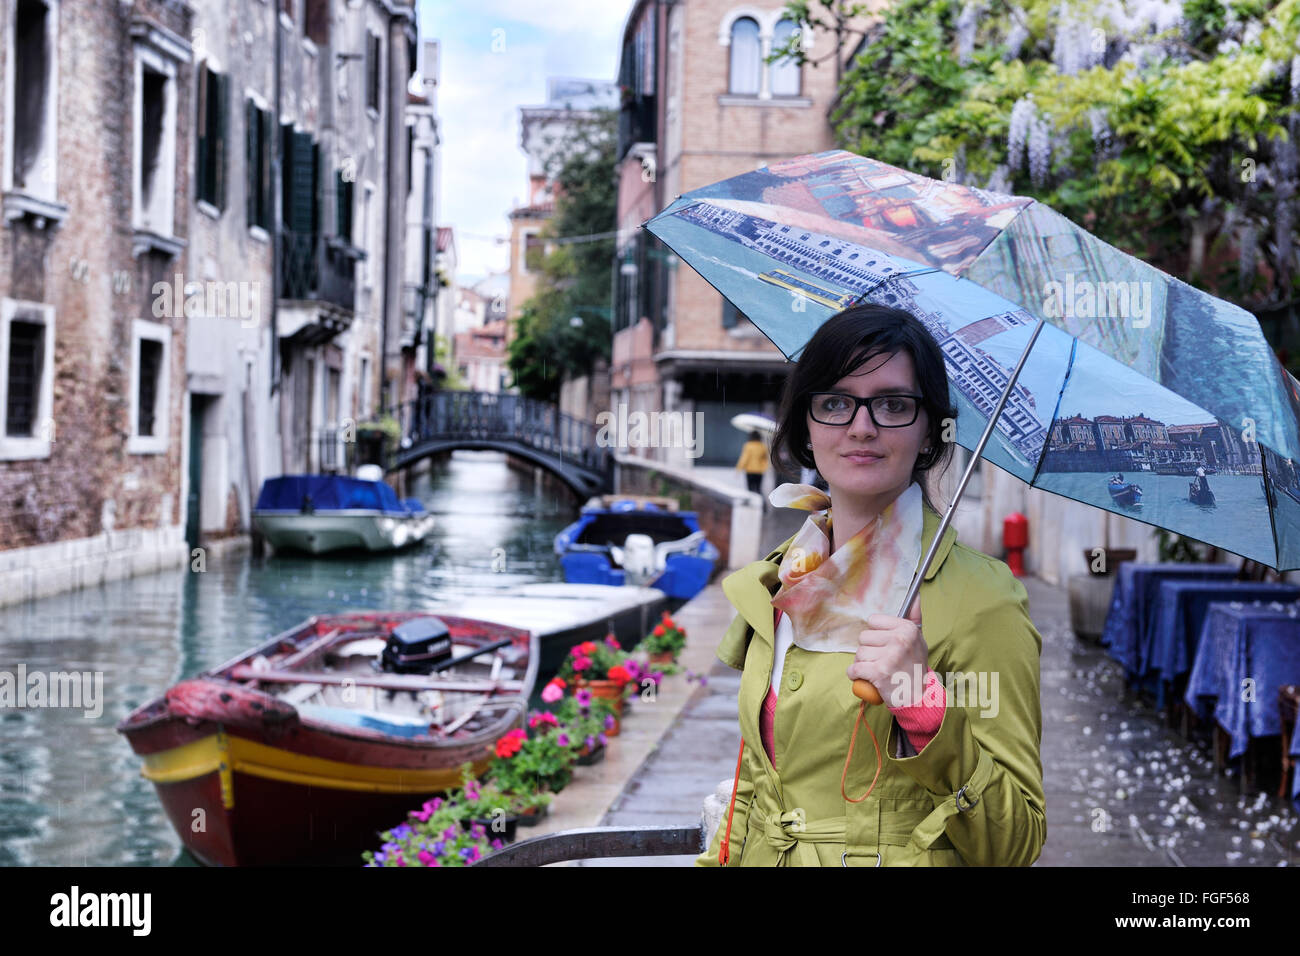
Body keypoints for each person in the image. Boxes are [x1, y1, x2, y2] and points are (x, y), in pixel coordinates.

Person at [697, 303, 1046, 867]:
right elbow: (757, 787)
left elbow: (1015, 843)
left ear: (929, 428)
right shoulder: (788, 576)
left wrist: (924, 712)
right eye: (835, 402)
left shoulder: (983, 599)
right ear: (806, 426)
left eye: (892, 404)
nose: (862, 426)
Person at [735, 430, 770, 495]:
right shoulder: (762, 446)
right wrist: (764, 468)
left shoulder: (748, 445)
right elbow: (765, 459)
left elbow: (744, 458)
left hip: (750, 470)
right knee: (758, 488)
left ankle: (752, 503)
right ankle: (759, 503)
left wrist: (738, 468)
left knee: (750, 489)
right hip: (759, 471)